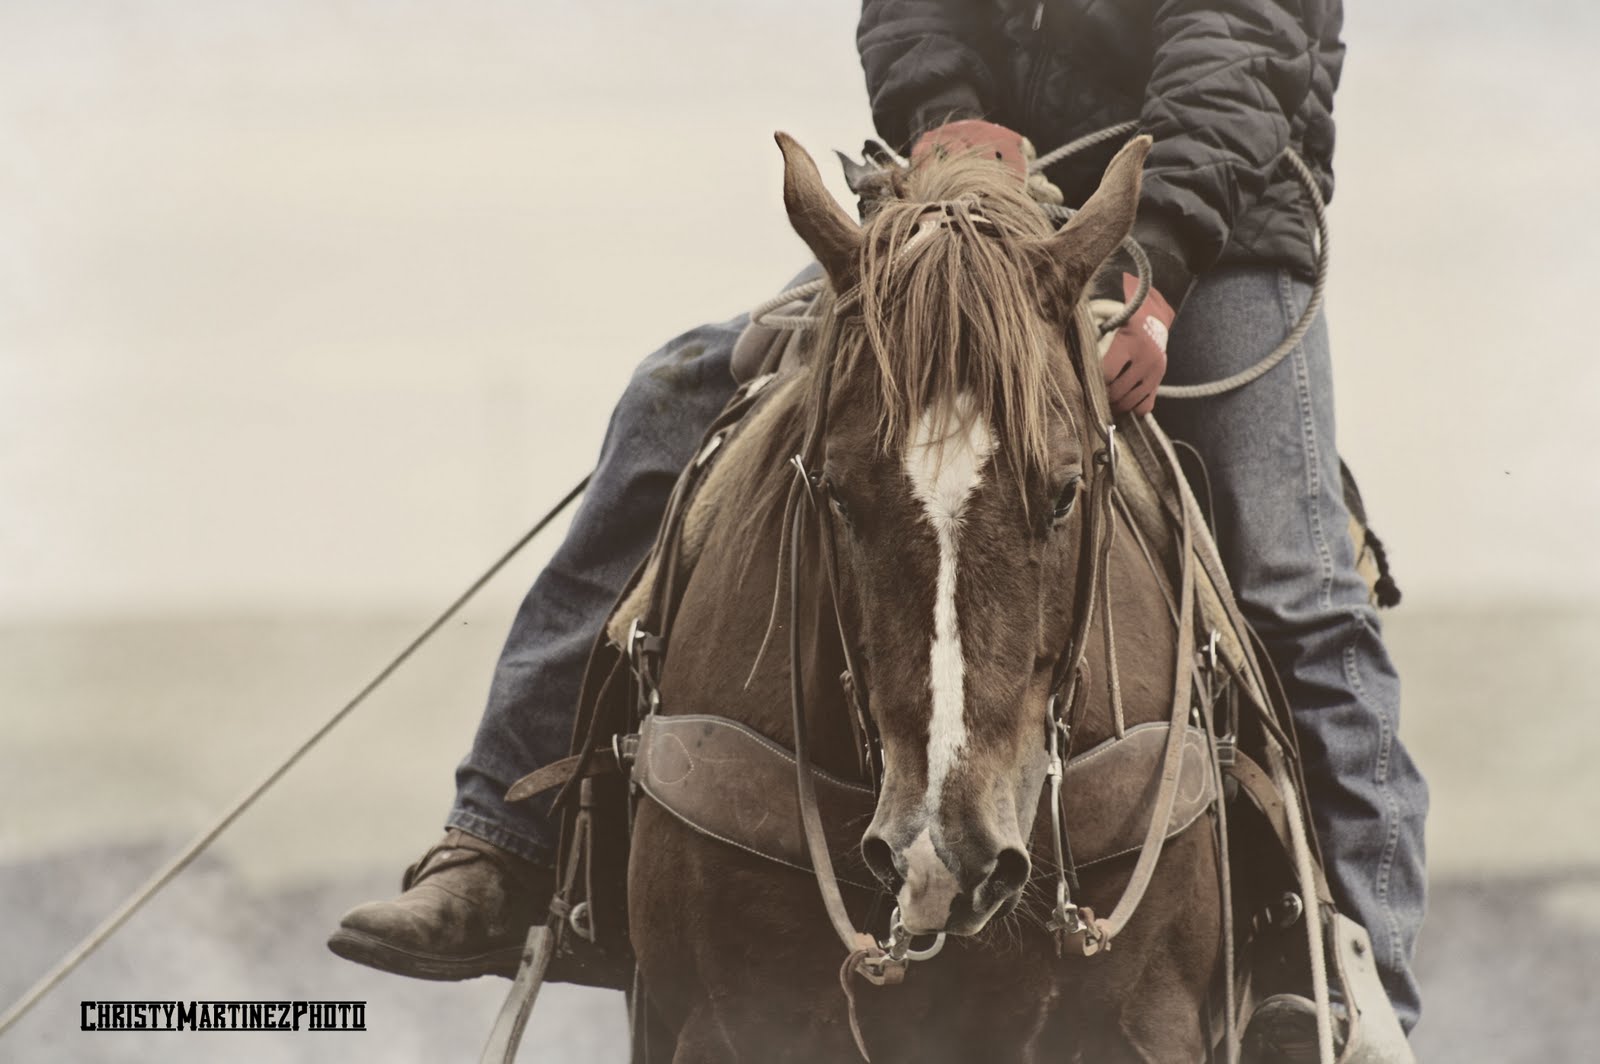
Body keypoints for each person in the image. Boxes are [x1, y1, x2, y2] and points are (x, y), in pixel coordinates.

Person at [331, 0, 1428, 1055]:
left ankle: (1348, 974)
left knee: (1294, 575)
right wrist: (948, 127)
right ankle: (504, 847)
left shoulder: (1192, 211)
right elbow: (912, 14)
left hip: (1210, 227)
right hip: (973, 219)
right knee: (671, 398)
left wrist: (1154, 272)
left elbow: (1236, 42)